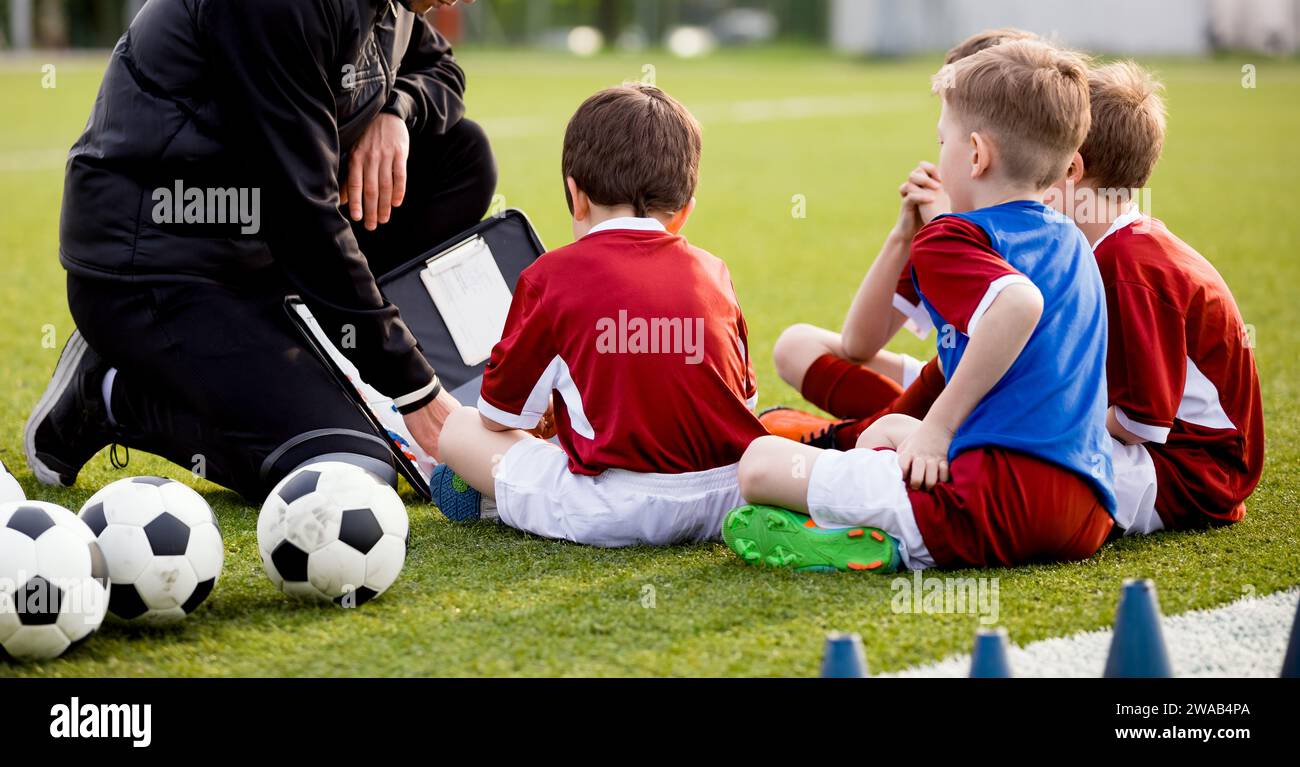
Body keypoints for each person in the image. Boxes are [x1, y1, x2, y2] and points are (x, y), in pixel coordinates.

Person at [25, 0, 494, 502]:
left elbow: (442, 70)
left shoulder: (398, 6)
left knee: (460, 156)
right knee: (351, 468)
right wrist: (415, 388)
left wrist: (396, 109)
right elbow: (301, 216)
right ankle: (113, 392)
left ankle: (334, 344)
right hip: (159, 266)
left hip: (265, 251)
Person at [724, 40, 1116, 573]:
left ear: (976, 154)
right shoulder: (1071, 239)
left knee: (759, 466)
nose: (938, 154)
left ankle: (868, 538)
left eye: (942, 141)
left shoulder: (953, 235)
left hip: (991, 503)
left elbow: (1017, 304)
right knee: (879, 435)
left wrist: (938, 429)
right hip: (1085, 511)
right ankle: (874, 509)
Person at [431, 84, 767, 548]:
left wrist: (547, 412)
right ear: (685, 211)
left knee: (458, 429)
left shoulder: (551, 276)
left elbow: (495, 418)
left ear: (576, 194)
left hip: (617, 512)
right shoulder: (714, 271)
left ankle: (493, 502)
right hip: (728, 497)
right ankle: (501, 499)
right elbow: (742, 405)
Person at [758, 28, 1042, 451]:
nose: (939, 152)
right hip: (947, 377)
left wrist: (951, 227)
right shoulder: (946, 213)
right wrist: (904, 235)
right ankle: (884, 428)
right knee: (795, 344)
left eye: (947, 139)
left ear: (982, 148)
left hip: (1006, 393)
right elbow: (858, 344)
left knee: (776, 462)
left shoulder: (1037, 214)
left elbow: (1004, 331)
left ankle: (853, 437)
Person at [1048, 62, 1264, 534]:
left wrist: (1050, 412)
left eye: (1042, 152)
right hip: (1176, 459)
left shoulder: (1127, 266)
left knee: (1019, 460)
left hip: (1192, 475)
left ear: (1071, 168)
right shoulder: (1122, 243)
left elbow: (1140, 423)